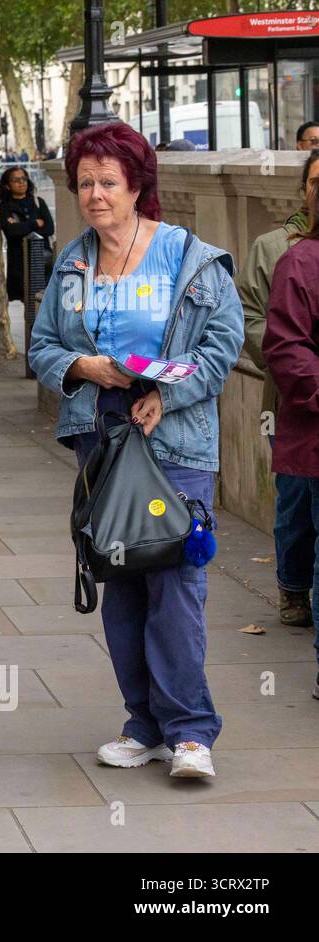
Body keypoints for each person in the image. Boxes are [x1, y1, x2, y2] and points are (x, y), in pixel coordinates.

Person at [28, 121, 243, 779]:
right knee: (119, 582)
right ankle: (142, 725)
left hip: (172, 438)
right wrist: (86, 369)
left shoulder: (187, 258)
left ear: (137, 185)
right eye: (85, 183)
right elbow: (43, 349)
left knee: (175, 581)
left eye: (108, 182)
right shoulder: (74, 264)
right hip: (103, 441)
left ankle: (189, 733)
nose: (95, 195)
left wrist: (165, 395)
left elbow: (223, 344)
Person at [240, 152, 319, 628]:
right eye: (314, 180)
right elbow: (249, 315)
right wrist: (286, 363)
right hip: (287, 401)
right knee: (293, 502)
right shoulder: (275, 247)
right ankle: (293, 586)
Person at [261, 163, 319, 702]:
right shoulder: (297, 259)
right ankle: (293, 587)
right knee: (296, 517)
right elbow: (282, 346)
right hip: (312, 433)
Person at [0, 164, 55, 303]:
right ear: (7, 185)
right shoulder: (4, 207)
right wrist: (35, 223)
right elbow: (12, 232)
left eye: (24, 179)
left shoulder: (38, 202)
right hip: (19, 265)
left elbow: (49, 229)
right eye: (16, 180)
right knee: (27, 304)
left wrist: (21, 226)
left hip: (42, 261)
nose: (21, 182)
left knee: (42, 302)